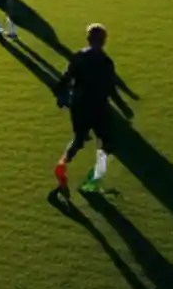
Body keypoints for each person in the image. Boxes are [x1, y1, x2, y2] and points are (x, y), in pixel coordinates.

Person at [53, 24, 131, 196]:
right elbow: (111, 88)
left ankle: (61, 167)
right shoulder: (106, 61)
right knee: (107, 143)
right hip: (98, 107)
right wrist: (124, 107)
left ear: (88, 39)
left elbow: (65, 78)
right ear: (103, 41)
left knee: (78, 140)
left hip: (78, 105)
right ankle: (94, 181)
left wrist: (60, 95)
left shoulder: (78, 57)